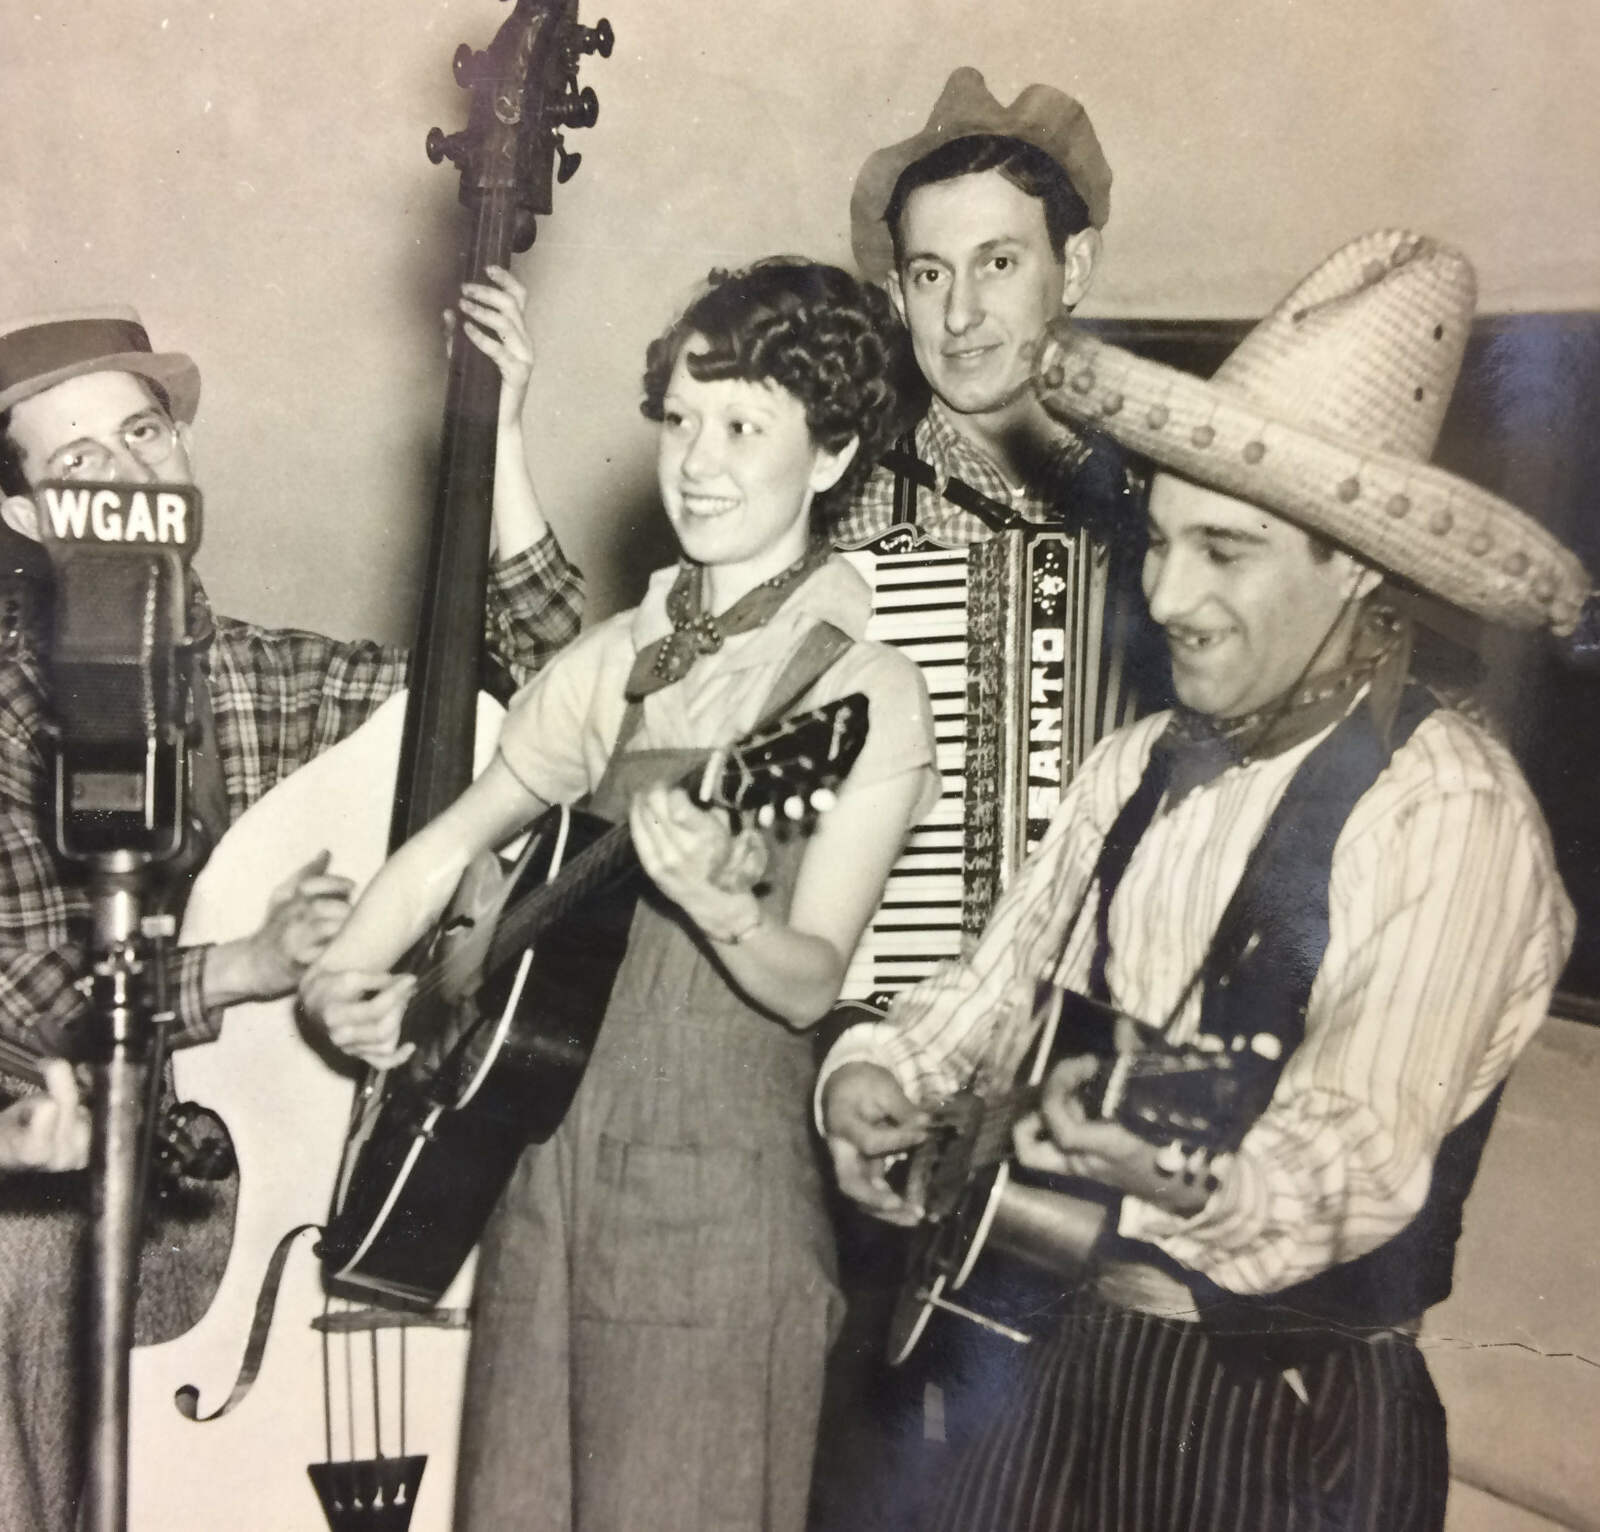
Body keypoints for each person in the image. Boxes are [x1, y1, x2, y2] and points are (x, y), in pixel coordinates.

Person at [820, 229, 1587, 1531]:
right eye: (1161, 541)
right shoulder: (1132, 769)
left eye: (1225, 553)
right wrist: (875, 1079)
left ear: (1352, 567)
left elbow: (1350, 1156)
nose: (1167, 593)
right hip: (1050, 1361)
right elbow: (994, 993)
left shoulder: (1447, 811)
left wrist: (1163, 1164)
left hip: (1279, 1425)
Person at [302, 257, 940, 1532]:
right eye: (682, 420)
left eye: (744, 425)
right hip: (544, 1181)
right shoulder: (618, 660)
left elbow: (815, 971)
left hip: (718, 1213)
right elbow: (452, 841)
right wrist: (342, 979)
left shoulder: (862, 688)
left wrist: (726, 908)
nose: (697, 461)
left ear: (831, 454)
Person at [0, 267, 583, 1532]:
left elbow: (566, 715)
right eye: (76, 459)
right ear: (25, 513)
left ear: (185, 453)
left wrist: (506, 445)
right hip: (104, 1217)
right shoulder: (8, 722)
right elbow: (23, 989)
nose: (124, 479)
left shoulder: (288, 679)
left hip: (296, 1210)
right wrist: (235, 967)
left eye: (143, 434)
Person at [831, 67, 1114, 549]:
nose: (959, 316)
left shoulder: (1154, 502)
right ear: (899, 297)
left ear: (1075, 267)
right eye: (931, 275)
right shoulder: (844, 526)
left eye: (998, 263)